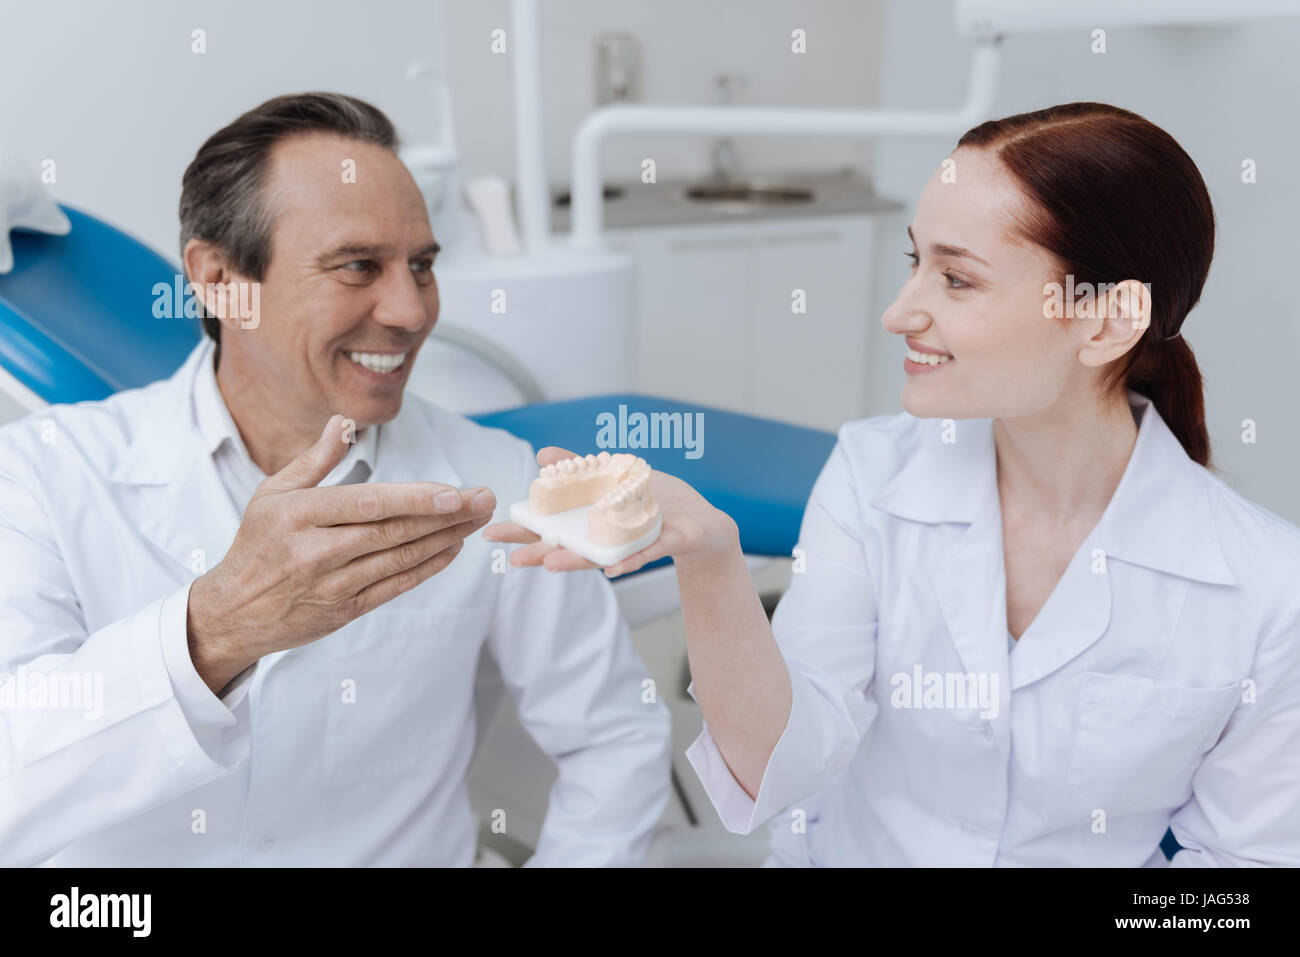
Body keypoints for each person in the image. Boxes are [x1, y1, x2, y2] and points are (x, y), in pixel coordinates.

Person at [485, 102, 1300, 866]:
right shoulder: (873, 474)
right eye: (917, 261)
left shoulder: (1267, 589)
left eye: (958, 279)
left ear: (1107, 320)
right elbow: (784, 764)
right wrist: (710, 562)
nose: (901, 311)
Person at [0, 92, 671, 866]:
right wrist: (219, 627)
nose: (411, 310)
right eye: (359, 266)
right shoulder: (43, 475)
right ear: (220, 279)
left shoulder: (489, 477)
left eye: (421, 265)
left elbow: (614, 732)